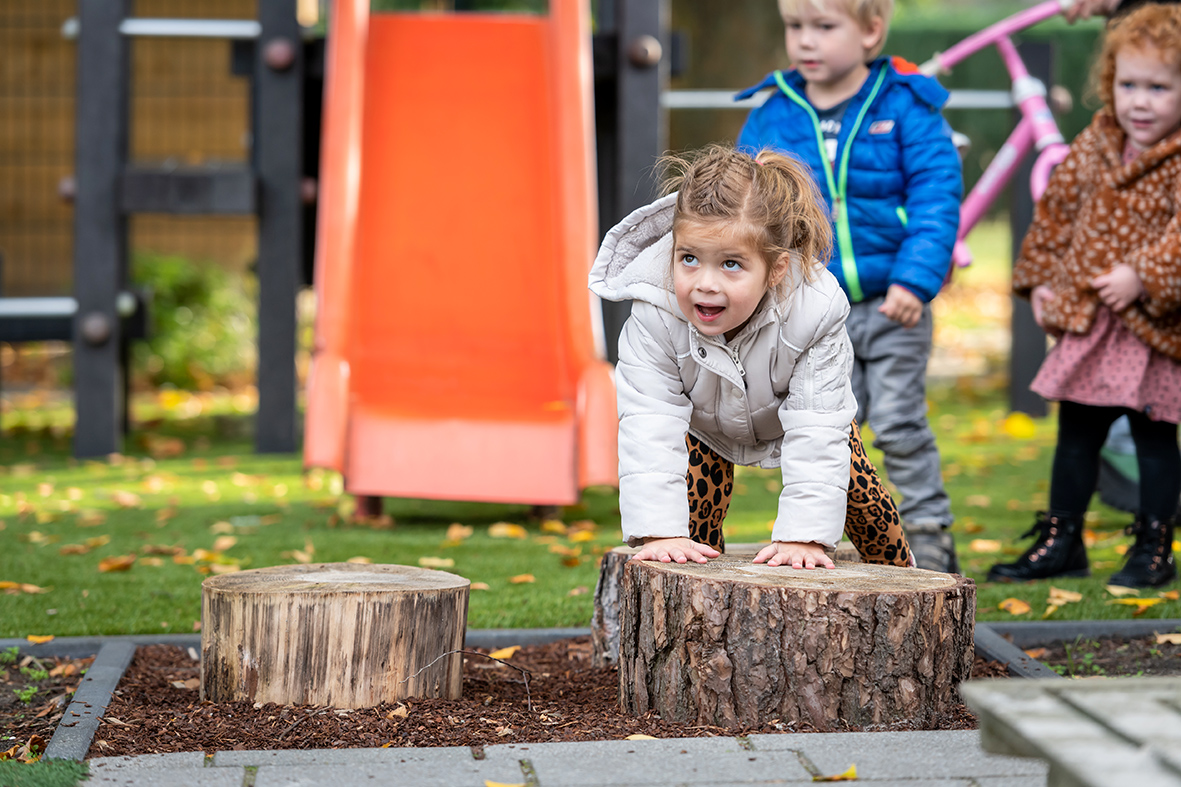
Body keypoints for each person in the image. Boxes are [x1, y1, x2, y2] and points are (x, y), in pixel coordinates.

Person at [588, 144, 912, 569]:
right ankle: (690, 620)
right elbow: (648, 420)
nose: (704, 283)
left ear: (775, 269)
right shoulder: (654, 314)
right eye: (689, 259)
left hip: (795, 417)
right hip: (702, 428)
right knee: (687, 537)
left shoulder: (814, 310)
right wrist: (660, 531)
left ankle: (897, 580)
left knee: (862, 497)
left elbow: (817, 424)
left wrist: (804, 537)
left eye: (731, 265)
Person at [733, 0, 963, 572]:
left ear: (870, 31)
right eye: (794, 26)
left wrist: (916, 279)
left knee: (901, 421)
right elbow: (745, 209)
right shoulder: (773, 113)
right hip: (810, 312)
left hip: (893, 305)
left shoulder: (906, 104)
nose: (806, 41)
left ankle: (930, 532)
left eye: (824, 26)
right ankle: (830, 534)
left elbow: (937, 195)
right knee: (828, 429)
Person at [986, 3, 1181, 588]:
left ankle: (1153, 543)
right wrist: (1041, 278)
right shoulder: (1097, 143)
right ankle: (1061, 536)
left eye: (1159, 87)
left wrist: (1144, 273)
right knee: (1077, 434)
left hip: (1151, 326)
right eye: (1128, 85)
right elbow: (1056, 213)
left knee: (1152, 435)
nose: (1140, 102)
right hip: (1092, 323)